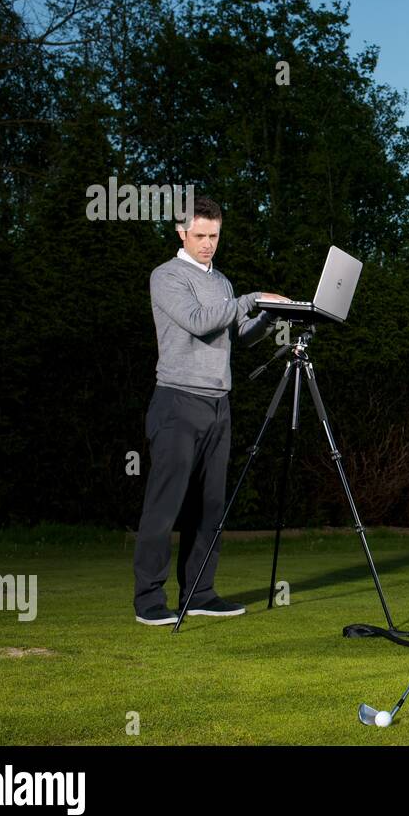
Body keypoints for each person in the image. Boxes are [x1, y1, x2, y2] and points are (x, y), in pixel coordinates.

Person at [132, 196, 287, 625]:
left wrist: (271, 315)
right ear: (181, 233)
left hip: (219, 403)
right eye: (200, 236)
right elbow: (200, 321)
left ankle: (199, 593)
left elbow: (241, 334)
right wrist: (254, 297)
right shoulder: (165, 276)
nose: (208, 244)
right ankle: (148, 602)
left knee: (210, 507)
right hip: (177, 402)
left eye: (214, 236)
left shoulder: (222, 282)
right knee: (165, 508)